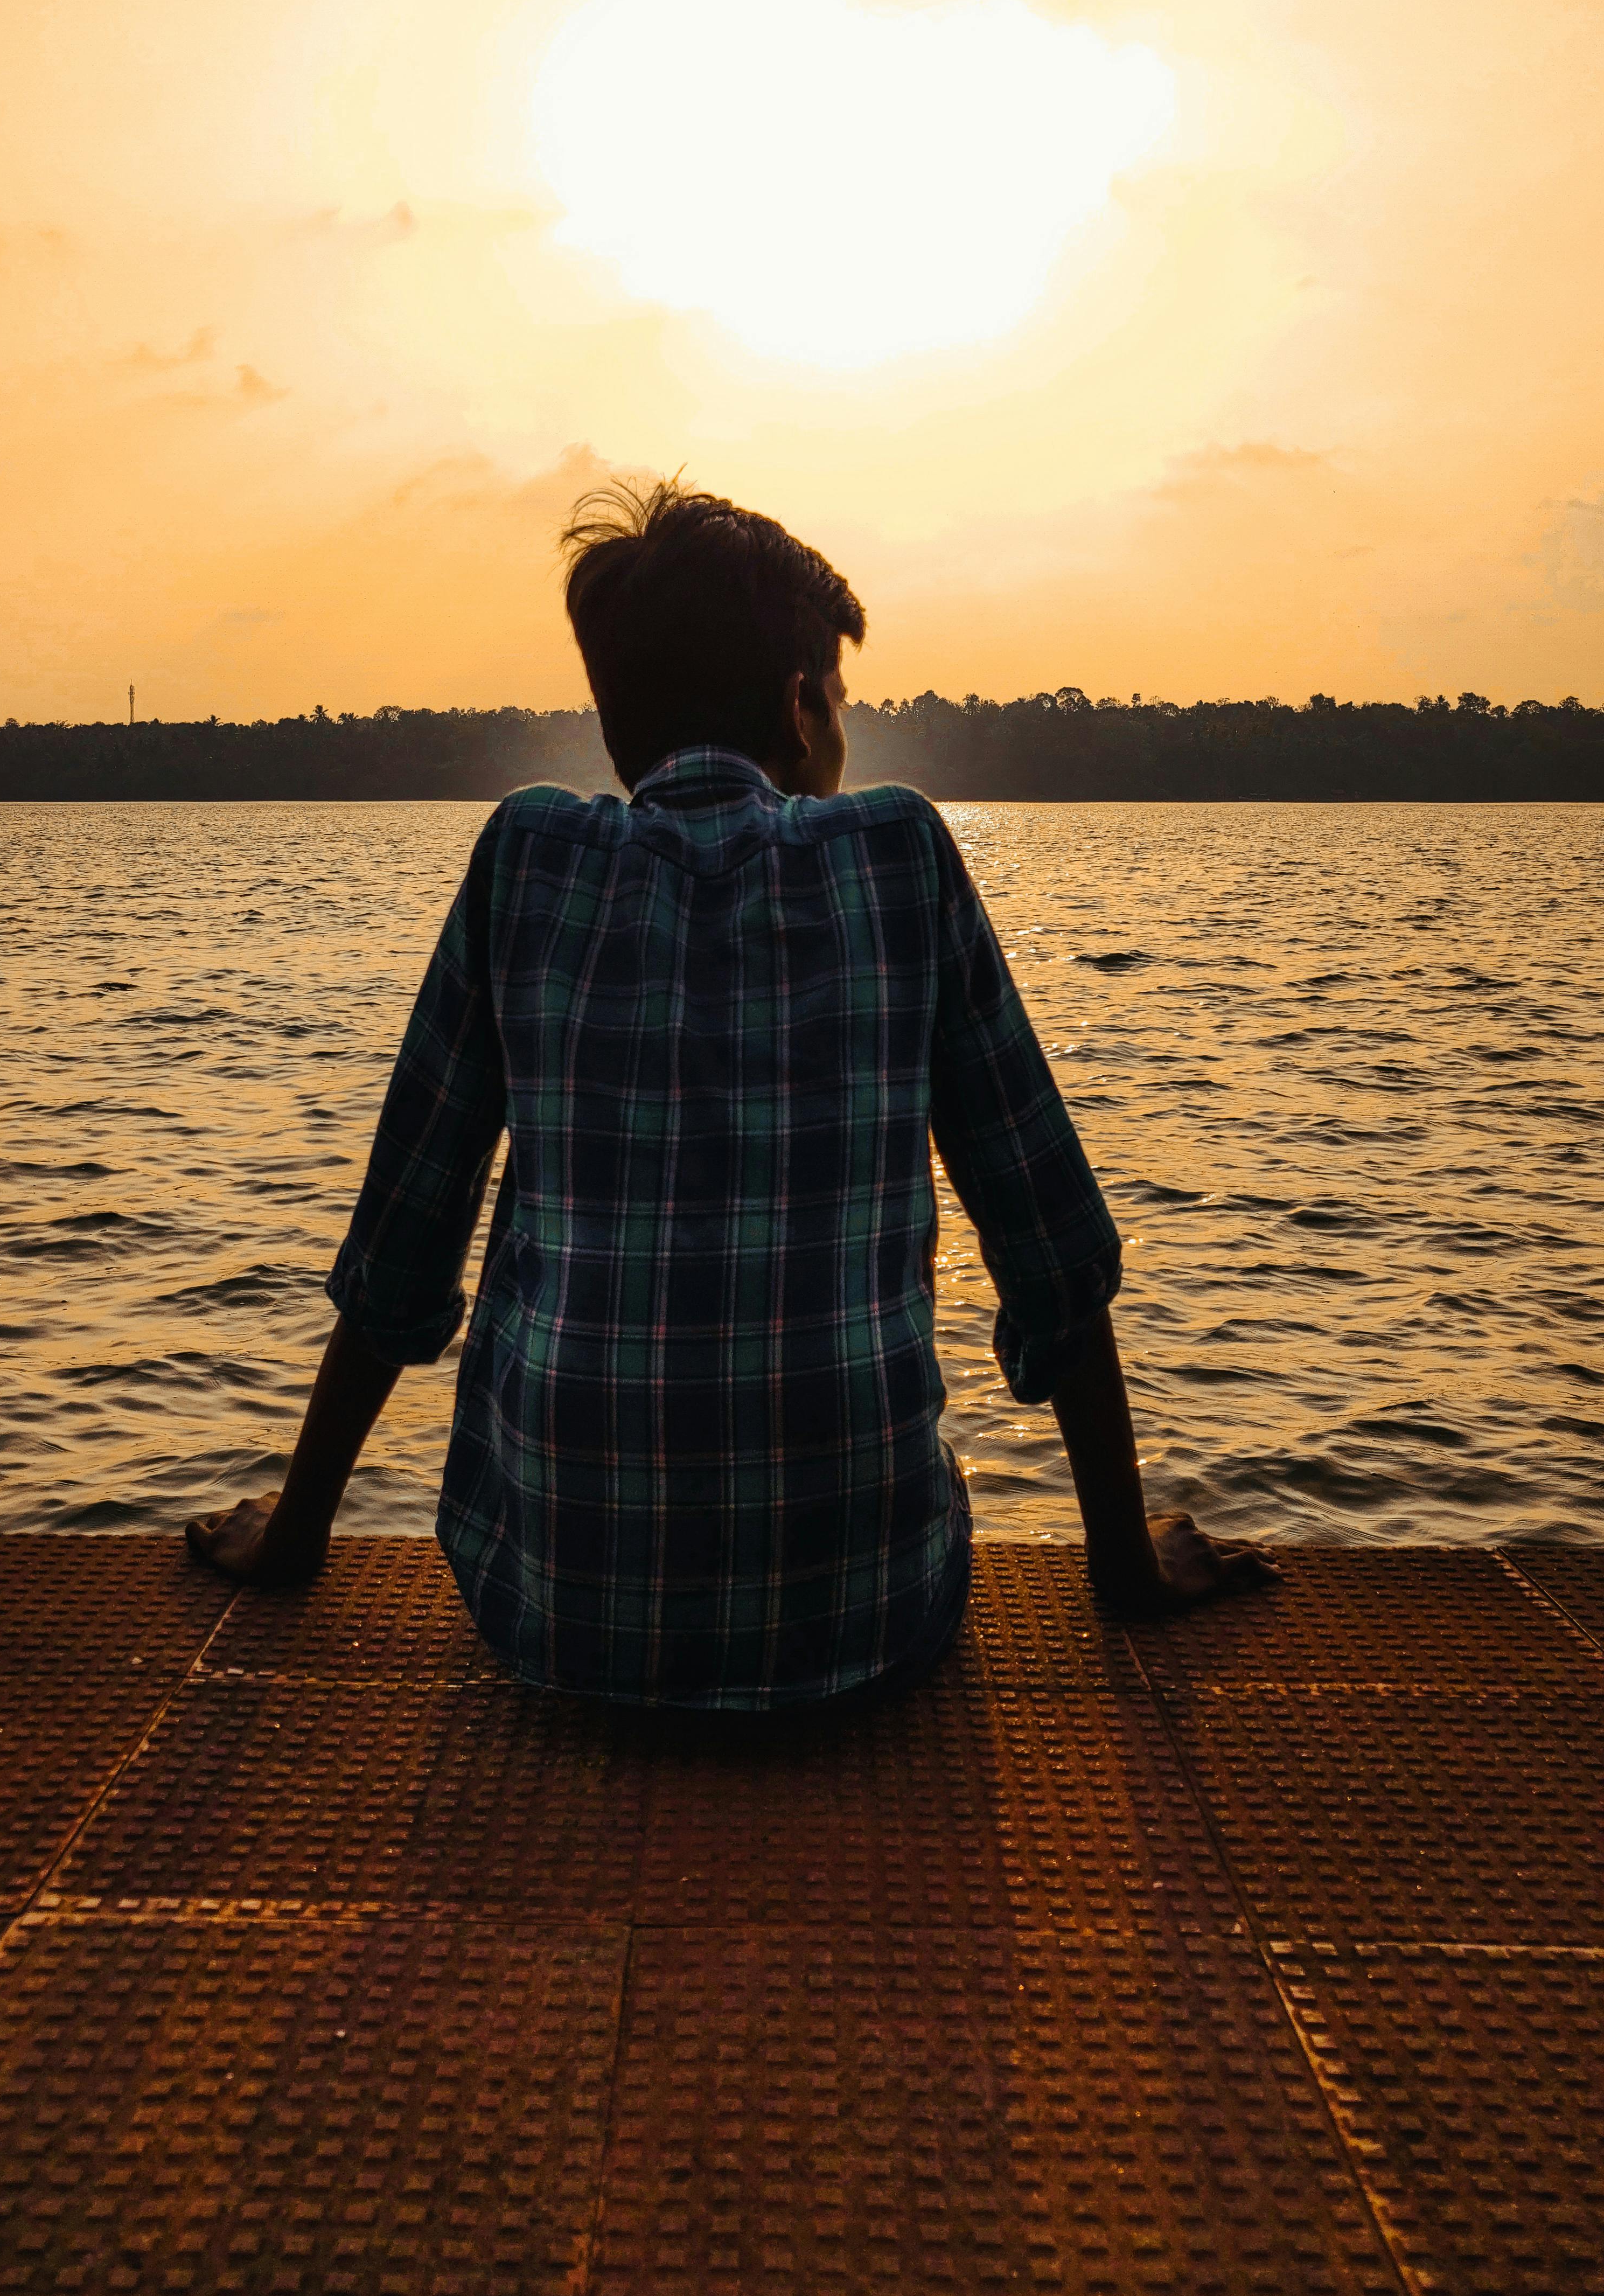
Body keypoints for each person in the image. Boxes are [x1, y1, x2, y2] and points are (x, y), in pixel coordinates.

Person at [187, 479, 1274, 1705]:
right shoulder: (899, 855)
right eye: (843, 700)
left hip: (552, 1614)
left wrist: (292, 1542)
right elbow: (1048, 1247)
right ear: (801, 707)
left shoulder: (525, 857)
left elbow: (403, 1240)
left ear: (613, 722)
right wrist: (1124, 1565)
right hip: (867, 1617)